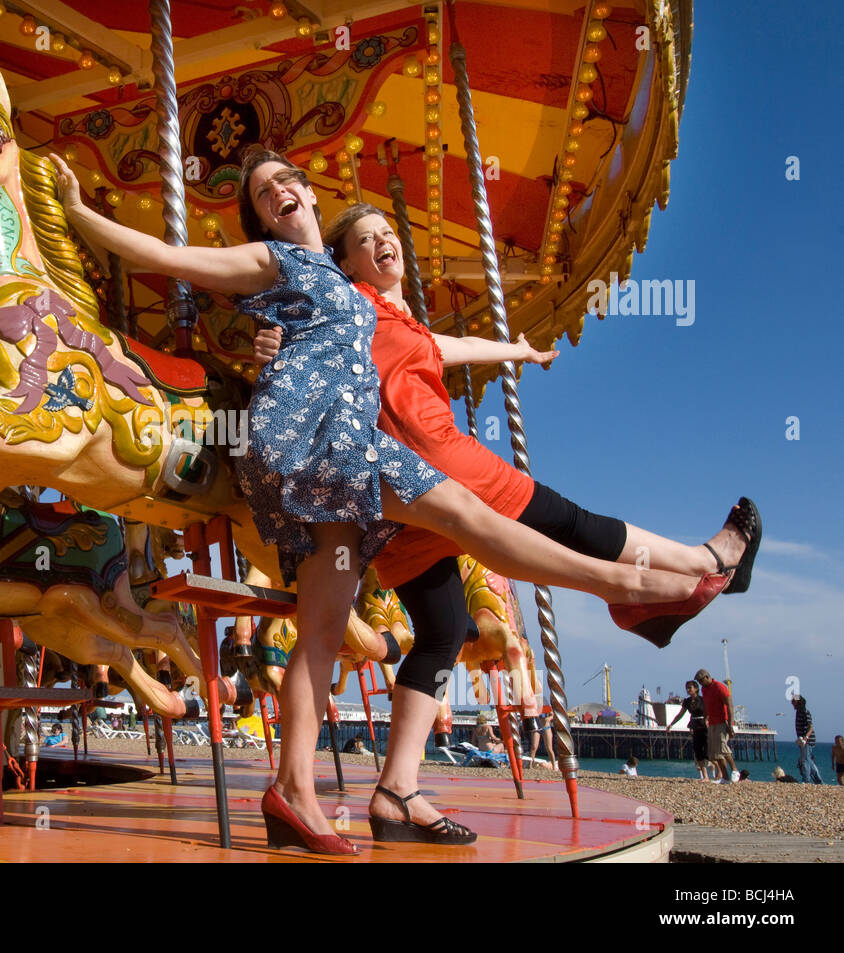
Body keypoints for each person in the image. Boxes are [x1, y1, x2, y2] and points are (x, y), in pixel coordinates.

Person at [50, 147, 739, 856]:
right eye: (261, 193)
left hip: (332, 454)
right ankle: (627, 586)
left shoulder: (348, 289)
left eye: (286, 180)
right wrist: (78, 214)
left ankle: (291, 792)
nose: (278, 192)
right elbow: (173, 258)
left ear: (308, 193)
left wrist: (517, 352)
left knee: (322, 631)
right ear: (263, 219)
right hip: (316, 438)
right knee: (466, 514)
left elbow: (440, 345)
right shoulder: (274, 261)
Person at [252, 200, 760, 839]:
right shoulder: (352, 303)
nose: (383, 241)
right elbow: (302, 327)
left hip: (398, 497)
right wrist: (272, 342)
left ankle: (397, 792)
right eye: (364, 239)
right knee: (565, 519)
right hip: (431, 454)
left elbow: (453, 346)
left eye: (387, 232)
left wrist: (515, 349)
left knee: (444, 630)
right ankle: (701, 563)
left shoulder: (403, 322)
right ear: (347, 262)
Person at [667, 680, 712, 780]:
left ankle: (719, 773)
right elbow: (680, 714)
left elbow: (709, 711)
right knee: (698, 750)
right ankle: (705, 776)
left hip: (705, 726)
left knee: (708, 751)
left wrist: (707, 720)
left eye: (690, 688)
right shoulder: (687, 701)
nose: (688, 690)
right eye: (687, 688)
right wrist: (671, 724)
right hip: (695, 726)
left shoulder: (702, 699)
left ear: (696, 689)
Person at [696, 670, 736, 783]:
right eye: (698, 682)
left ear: (707, 677)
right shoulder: (704, 689)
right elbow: (706, 704)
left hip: (723, 721)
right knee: (715, 753)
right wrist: (705, 718)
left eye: (701, 681)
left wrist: (730, 724)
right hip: (712, 723)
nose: (700, 683)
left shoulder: (720, 687)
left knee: (723, 748)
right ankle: (725, 778)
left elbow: (730, 705)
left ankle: (735, 770)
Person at [791, 695, 823, 784]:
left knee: (805, 759)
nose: (792, 703)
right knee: (807, 759)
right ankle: (817, 780)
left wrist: (805, 738)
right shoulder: (798, 712)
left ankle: (807, 780)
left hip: (807, 739)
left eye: (793, 702)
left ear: (798, 702)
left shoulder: (805, 712)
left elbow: (811, 727)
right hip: (802, 739)